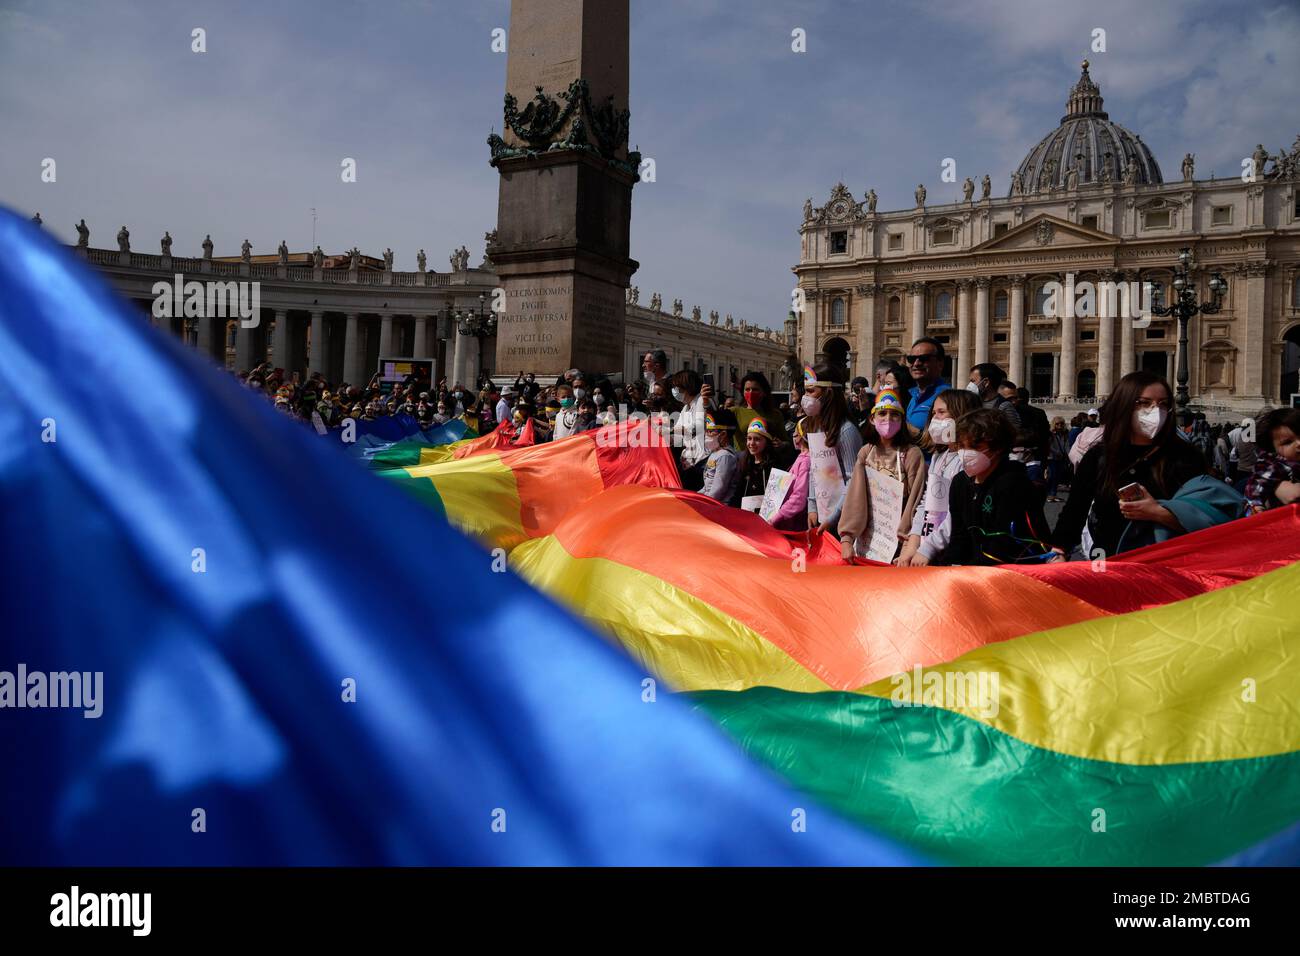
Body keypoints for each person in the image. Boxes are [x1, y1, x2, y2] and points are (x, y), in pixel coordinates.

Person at [1050, 371, 1241, 559]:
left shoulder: (1185, 456)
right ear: (1123, 406)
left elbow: (1207, 515)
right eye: (1144, 403)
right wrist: (1059, 550)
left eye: (1163, 404)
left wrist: (1158, 512)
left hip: (1170, 563)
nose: (1156, 411)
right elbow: (1075, 509)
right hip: (1110, 562)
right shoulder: (1099, 456)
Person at [938, 408, 1052, 566]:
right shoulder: (960, 482)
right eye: (961, 446)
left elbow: (1005, 544)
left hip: (1013, 568)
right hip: (974, 568)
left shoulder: (1014, 483)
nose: (965, 453)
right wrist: (949, 568)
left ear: (997, 447)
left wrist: (968, 572)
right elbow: (959, 536)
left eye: (975, 446)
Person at [895, 387, 980, 566]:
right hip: (929, 546)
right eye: (933, 413)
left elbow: (954, 513)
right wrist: (913, 543)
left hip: (952, 551)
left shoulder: (967, 461)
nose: (935, 419)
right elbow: (927, 503)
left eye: (941, 412)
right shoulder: (938, 457)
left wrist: (927, 549)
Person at [838, 388, 926, 561]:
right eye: (882, 414)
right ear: (872, 418)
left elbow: (916, 501)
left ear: (902, 420)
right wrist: (847, 538)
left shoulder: (911, 454)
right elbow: (855, 496)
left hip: (899, 544)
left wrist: (907, 545)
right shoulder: (865, 452)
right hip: (868, 540)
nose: (888, 419)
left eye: (894, 415)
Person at [801, 362, 863, 536]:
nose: (806, 397)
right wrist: (812, 507)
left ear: (828, 392)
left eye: (811, 391)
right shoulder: (816, 427)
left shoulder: (846, 431)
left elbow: (853, 480)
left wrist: (833, 517)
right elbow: (815, 471)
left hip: (841, 519)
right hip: (822, 514)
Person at [1245, 408, 1300, 512]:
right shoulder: (1274, 464)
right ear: (1273, 449)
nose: (1299, 444)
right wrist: (1256, 509)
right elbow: (1254, 491)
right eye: (1288, 442)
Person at [734, 372, 787, 461]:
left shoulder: (775, 414)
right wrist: (706, 402)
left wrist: (781, 444)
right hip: (743, 464)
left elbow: (786, 441)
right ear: (742, 392)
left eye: (755, 389)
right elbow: (712, 423)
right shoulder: (735, 412)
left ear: (764, 392)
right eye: (747, 389)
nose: (750, 393)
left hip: (768, 463)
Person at [671, 369, 710, 490]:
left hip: (701, 461)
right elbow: (677, 436)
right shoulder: (685, 408)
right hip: (688, 463)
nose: (675, 391)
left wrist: (670, 430)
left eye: (676, 387)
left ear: (686, 387)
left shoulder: (700, 401)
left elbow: (696, 428)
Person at [771, 419, 812, 532]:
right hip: (790, 522)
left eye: (795, 432)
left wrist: (775, 517)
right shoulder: (802, 457)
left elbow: (799, 497)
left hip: (797, 525)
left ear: (801, 436)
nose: (793, 435)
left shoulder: (806, 461)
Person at [904, 337, 949, 432]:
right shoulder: (913, 394)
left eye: (923, 358)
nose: (916, 363)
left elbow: (948, 436)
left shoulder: (948, 396)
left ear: (940, 363)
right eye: (911, 359)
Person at [732, 419, 777, 510]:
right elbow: (738, 493)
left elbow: (775, 499)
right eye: (749, 438)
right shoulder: (745, 462)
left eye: (757, 439)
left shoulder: (774, 466)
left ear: (767, 442)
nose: (751, 443)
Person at [966, 362, 1022, 432]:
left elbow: (1015, 433)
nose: (970, 385)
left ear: (986, 382)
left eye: (973, 381)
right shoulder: (972, 403)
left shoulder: (1004, 406)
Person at [700, 409, 740, 503]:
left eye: (710, 431)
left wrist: (702, 503)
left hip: (718, 506)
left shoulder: (725, 456)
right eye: (706, 431)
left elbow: (718, 490)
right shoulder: (715, 453)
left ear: (723, 434)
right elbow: (706, 487)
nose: (706, 435)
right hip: (708, 500)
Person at [1045, 416, 1070, 502]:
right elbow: (1049, 446)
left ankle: (1053, 494)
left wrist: (1068, 454)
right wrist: (1057, 452)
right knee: (1052, 475)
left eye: (1061, 423)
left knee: (1057, 476)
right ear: (1054, 424)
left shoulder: (1065, 433)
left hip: (1061, 457)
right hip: (1052, 457)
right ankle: (1048, 493)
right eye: (1057, 424)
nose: (1059, 425)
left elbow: (1066, 445)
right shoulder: (1051, 434)